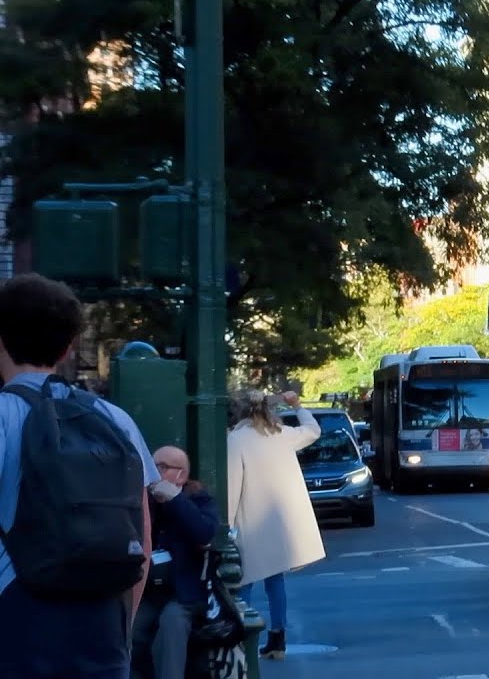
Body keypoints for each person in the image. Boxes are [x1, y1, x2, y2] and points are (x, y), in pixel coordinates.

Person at [0, 273, 162, 679]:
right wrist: (123, 630)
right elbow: (141, 533)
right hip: (102, 624)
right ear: (69, 346)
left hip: (16, 622)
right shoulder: (114, 419)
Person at [227, 389, 326, 660]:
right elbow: (312, 430)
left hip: (252, 519)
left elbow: (233, 484)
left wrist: (227, 523)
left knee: (244, 581)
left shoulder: (235, 440)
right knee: (275, 579)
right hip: (280, 522)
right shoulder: (281, 434)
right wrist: (297, 405)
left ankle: (243, 639)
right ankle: (278, 639)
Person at [132, 446, 219, 679]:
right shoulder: (144, 500)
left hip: (184, 593)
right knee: (130, 629)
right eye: (152, 465)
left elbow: (204, 533)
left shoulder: (198, 499)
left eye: (162, 467)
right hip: (149, 591)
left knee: (172, 626)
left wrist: (175, 500)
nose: (154, 471)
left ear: (181, 474)